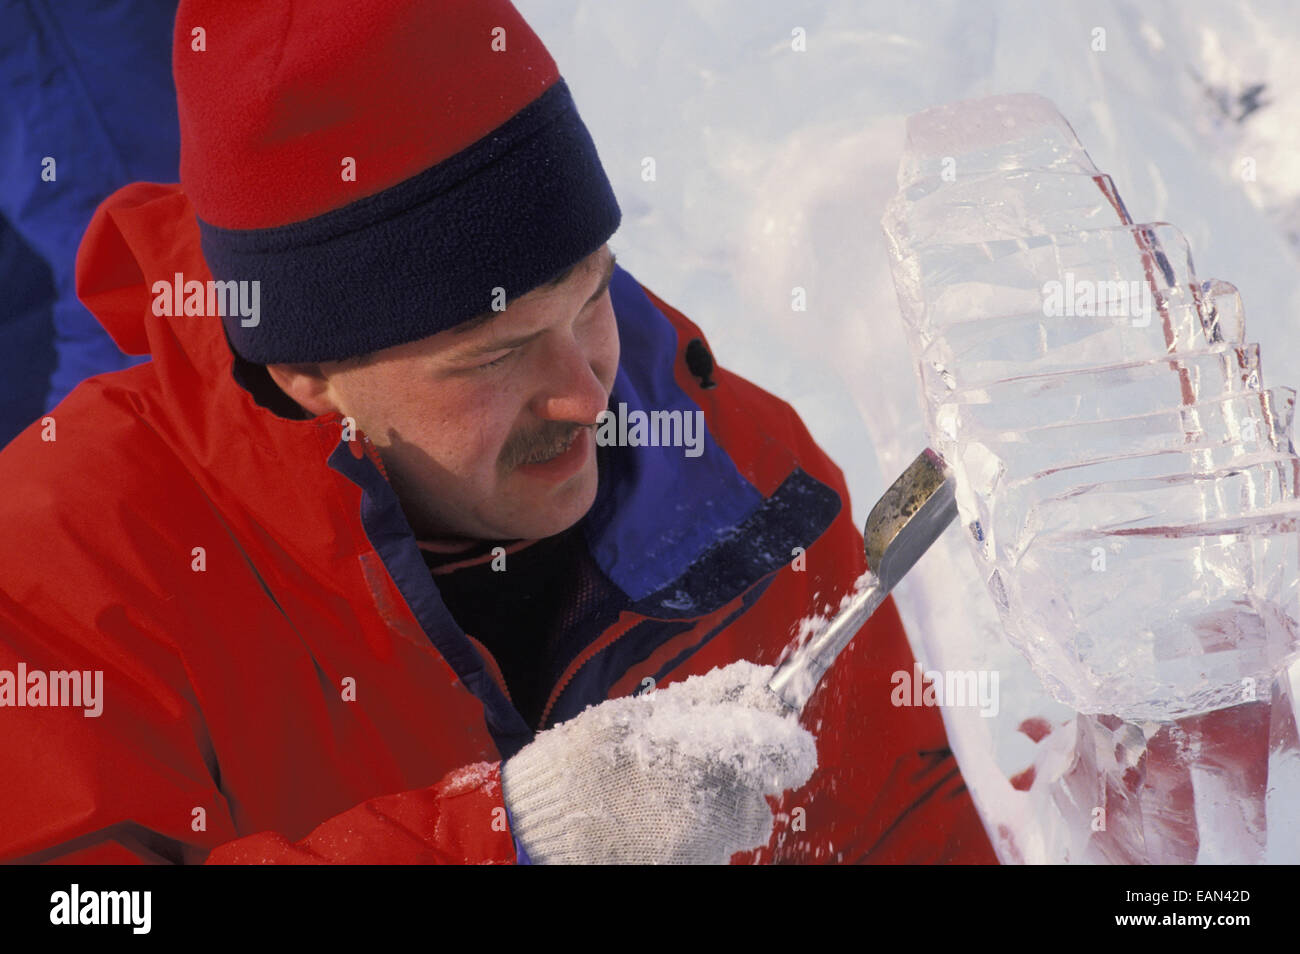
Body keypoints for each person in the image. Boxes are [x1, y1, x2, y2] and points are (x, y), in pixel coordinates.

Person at [0, 0, 997, 864]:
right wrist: (515, 838)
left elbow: (903, 820)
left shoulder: (733, 466)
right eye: (492, 355)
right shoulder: (62, 569)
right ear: (306, 372)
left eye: (589, 299)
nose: (583, 396)